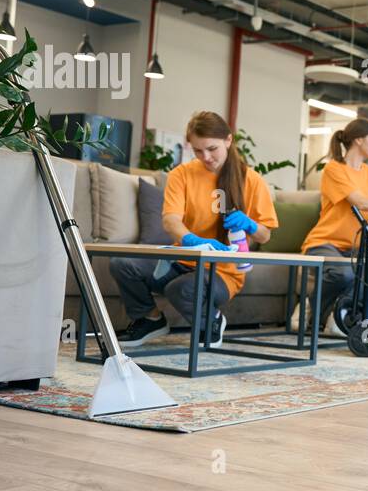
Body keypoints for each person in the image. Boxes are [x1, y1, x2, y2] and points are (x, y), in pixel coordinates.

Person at [111, 111, 278, 348]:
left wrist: (250, 224)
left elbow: (265, 234)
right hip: (181, 259)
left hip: (223, 271)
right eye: (198, 151)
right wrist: (190, 240)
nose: (206, 157)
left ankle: (212, 320)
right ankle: (150, 319)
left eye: (212, 149)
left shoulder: (251, 180)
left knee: (180, 288)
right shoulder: (182, 174)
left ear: (228, 141)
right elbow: (170, 220)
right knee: (123, 263)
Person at [292, 118, 368, 334]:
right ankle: (309, 307)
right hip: (325, 241)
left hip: (356, 245)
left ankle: (337, 314)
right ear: (358, 140)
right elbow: (361, 202)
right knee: (343, 274)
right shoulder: (334, 169)